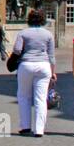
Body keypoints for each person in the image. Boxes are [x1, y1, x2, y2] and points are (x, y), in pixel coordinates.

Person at [13, 9, 56, 137]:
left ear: (29, 19)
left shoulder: (23, 33)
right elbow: (52, 56)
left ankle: (25, 127)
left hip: (26, 65)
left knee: (24, 96)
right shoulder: (48, 34)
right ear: (43, 20)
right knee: (41, 98)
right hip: (44, 66)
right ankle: (39, 130)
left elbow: (17, 50)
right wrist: (53, 72)